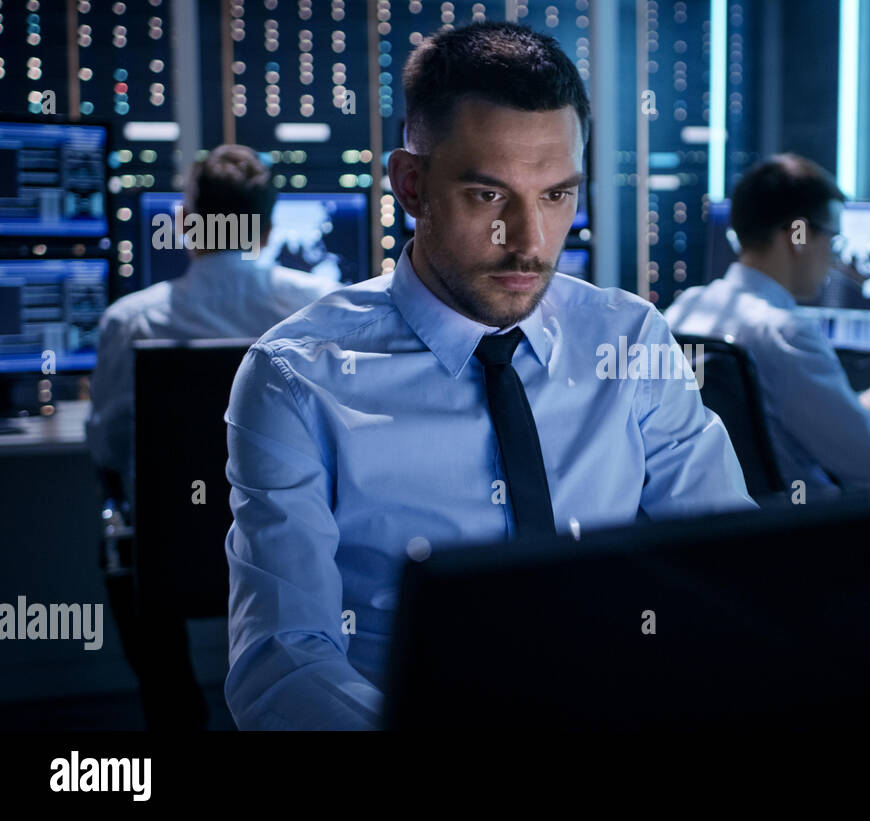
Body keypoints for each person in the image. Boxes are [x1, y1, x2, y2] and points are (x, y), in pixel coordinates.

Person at [223, 21, 755, 730]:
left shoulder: (628, 338)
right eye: (487, 196)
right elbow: (283, 660)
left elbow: (731, 564)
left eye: (557, 196)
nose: (530, 242)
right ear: (412, 185)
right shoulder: (296, 377)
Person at [665, 154, 870, 493]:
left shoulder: (688, 307)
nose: (835, 259)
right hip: (806, 532)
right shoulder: (785, 333)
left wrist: (854, 409)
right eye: (832, 239)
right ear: (798, 234)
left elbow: (759, 420)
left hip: (728, 528)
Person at [85, 144, 340, 496]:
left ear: (185, 224)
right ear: (266, 233)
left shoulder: (129, 322)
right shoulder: (322, 307)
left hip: (169, 533)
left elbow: (106, 448)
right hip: (290, 532)